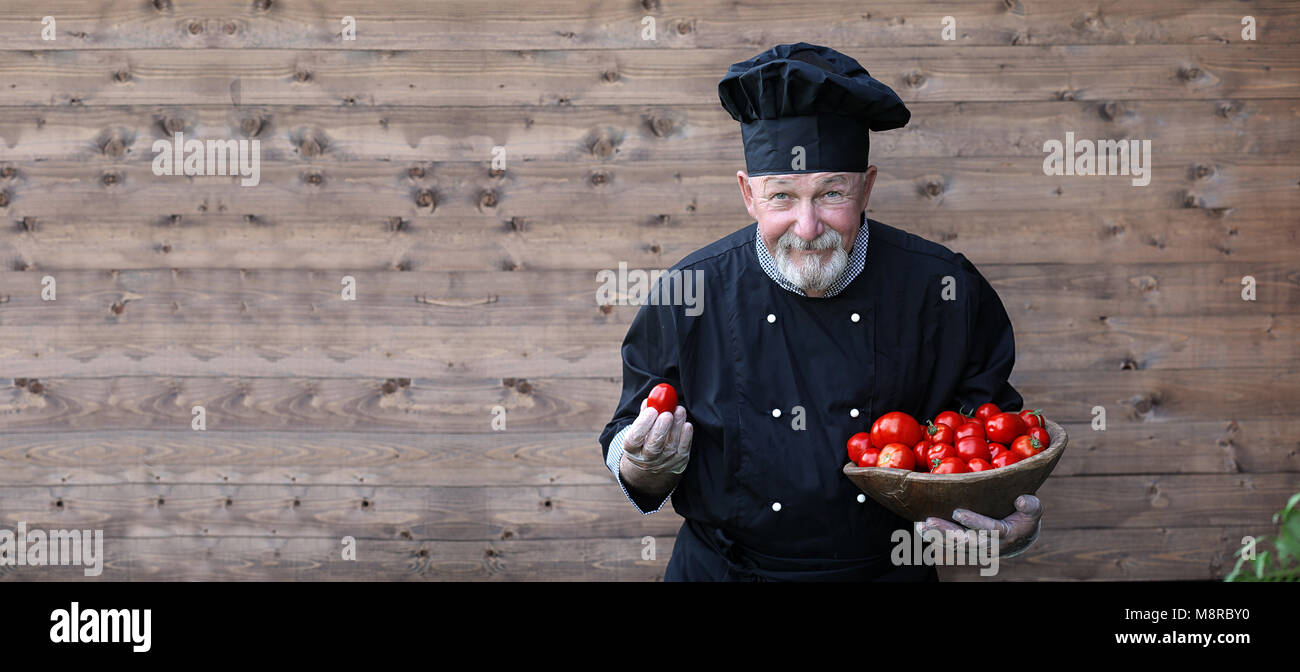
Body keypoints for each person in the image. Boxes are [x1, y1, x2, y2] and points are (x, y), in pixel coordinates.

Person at [598, 43, 1043, 581]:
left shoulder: (943, 287)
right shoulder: (690, 290)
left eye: (831, 194)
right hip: (724, 572)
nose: (807, 228)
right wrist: (639, 464)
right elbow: (629, 431)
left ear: (866, 188)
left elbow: (993, 440)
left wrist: (1004, 527)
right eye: (782, 197)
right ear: (748, 193)